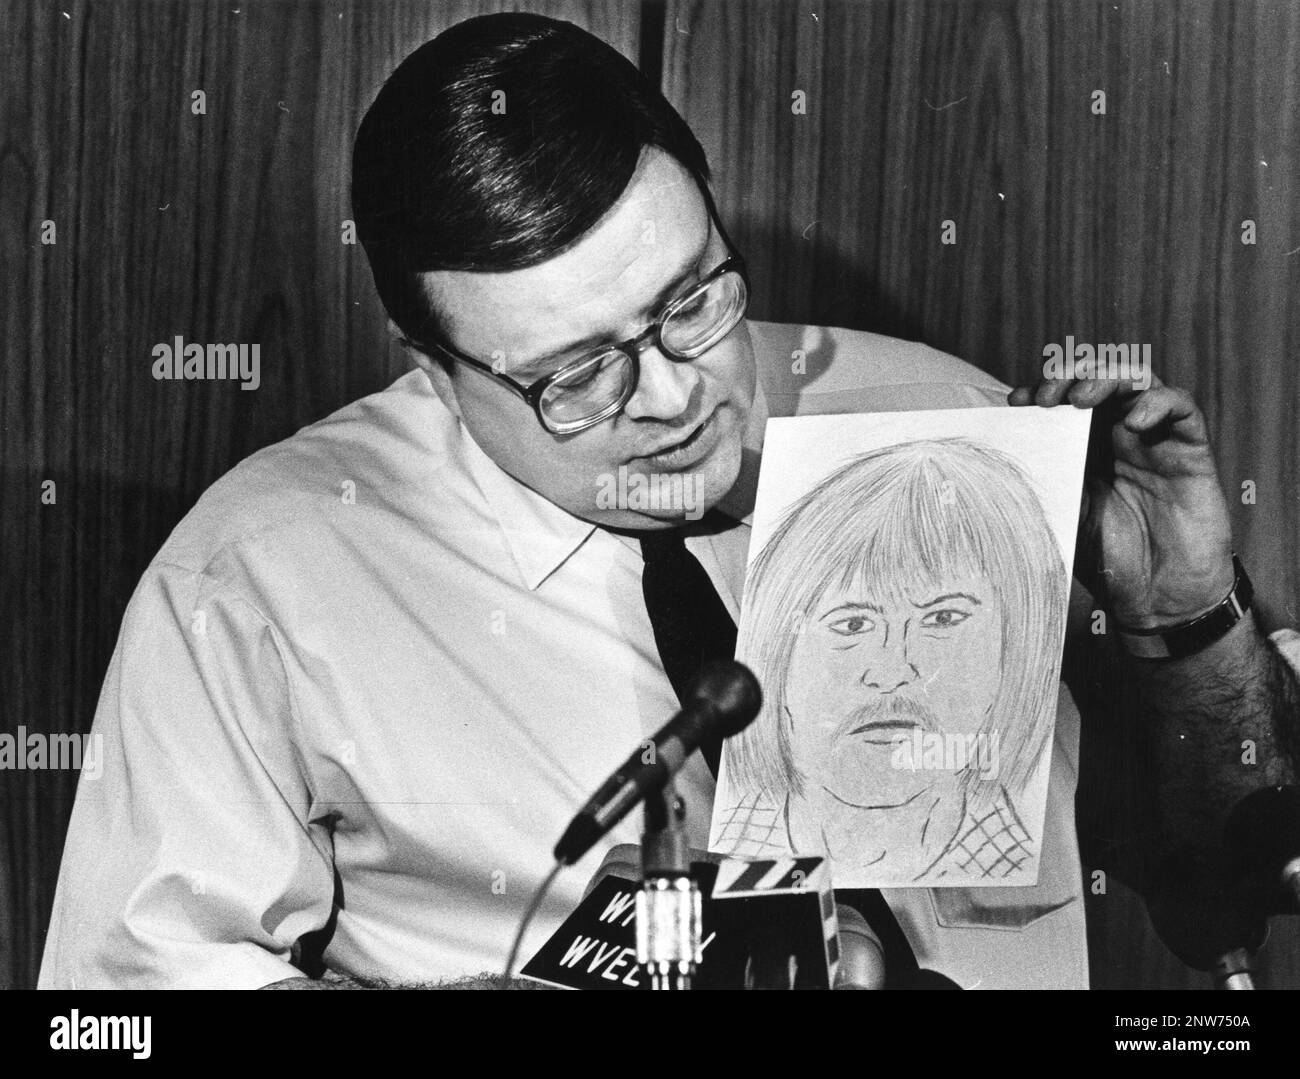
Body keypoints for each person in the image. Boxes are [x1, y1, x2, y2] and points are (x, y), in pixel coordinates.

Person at [39, 13, 1300, 990]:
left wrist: (1184, 619)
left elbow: (1219, 889)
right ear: (434, 365)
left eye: (693, 301)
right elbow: (124, 1010)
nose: (671, 396)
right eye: (577, 373)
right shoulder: (259, 574)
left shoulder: (934, 420)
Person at [714, 438, 1067, 885]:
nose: (891, 670)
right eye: (853, 624)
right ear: (777, 654)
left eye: (942, 618)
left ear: (1018, 649)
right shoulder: (717, 843)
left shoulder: (1043, 865)